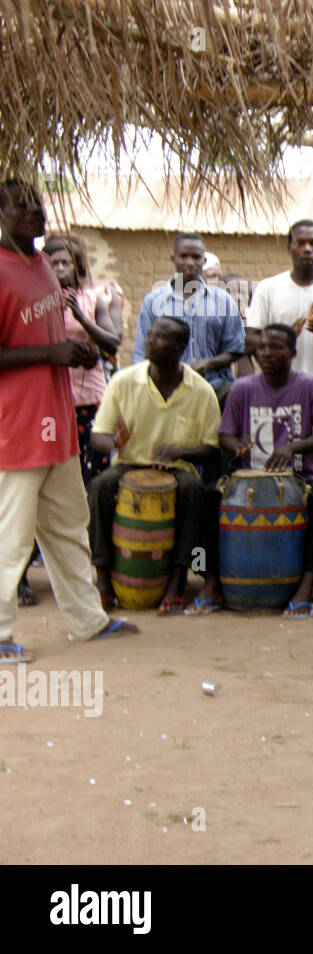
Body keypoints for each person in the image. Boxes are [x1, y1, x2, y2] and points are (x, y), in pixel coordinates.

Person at [0, 180, 139, 663]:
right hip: (15, 428)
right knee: (11, 536)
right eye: (23, 206)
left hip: (54, 422)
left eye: (39, 204)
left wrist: (71, 353)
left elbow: (44, 333)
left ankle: (87, 620)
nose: (36, 212)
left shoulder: (39, 264)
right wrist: (50, 353)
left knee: (67, 526)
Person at [89, 316, 223, 615]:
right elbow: (98, 434)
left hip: (178, 470)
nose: (149, 341)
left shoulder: (201, 391)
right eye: (149, 335)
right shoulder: (124, 381)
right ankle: (103, 581)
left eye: (160, 337)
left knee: (193, 491)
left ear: (180, 347)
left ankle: (177, 582)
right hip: (129, 464)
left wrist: (180, 452)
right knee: (99, 487)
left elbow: (212, 450)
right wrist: (113, 443)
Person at [219, 323, 313, 618]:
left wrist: (292, 448)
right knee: (208, 498)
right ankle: (209, 579)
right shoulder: (242, 388)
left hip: (300, 478)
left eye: (275, 347)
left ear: (293, 352)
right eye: (262, 348)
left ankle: (306, 586)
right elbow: (225, 435)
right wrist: (237, 446)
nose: (267, 353)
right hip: (249, 479)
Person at [244, 221, 313, 489]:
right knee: (277, 484)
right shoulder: (268, 289)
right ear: (289, 248)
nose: (307, 248)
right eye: (300, 243)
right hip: (276, 406)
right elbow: (250, 340)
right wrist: (283, 337)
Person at [133, 232, 244, 403]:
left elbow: (236, 348)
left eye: (196, 257)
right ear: (173, 259)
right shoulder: (154, 301)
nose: (190, 262)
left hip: (215, 388)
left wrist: (209, 364)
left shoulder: (223, 301)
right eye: (183, 256)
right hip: (167, 391)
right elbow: (141, 354)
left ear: (204, 261)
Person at [45, 235, 118, 487]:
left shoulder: (92, 300)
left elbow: (112, 342)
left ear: (78, 267)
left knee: (94, 469)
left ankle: (91, 524)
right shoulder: (37, 304)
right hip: (50, 400)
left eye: (67, 263)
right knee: (55, 466)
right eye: (55, 263)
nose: (61, 269)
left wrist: (81, 316)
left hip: (89, 398)